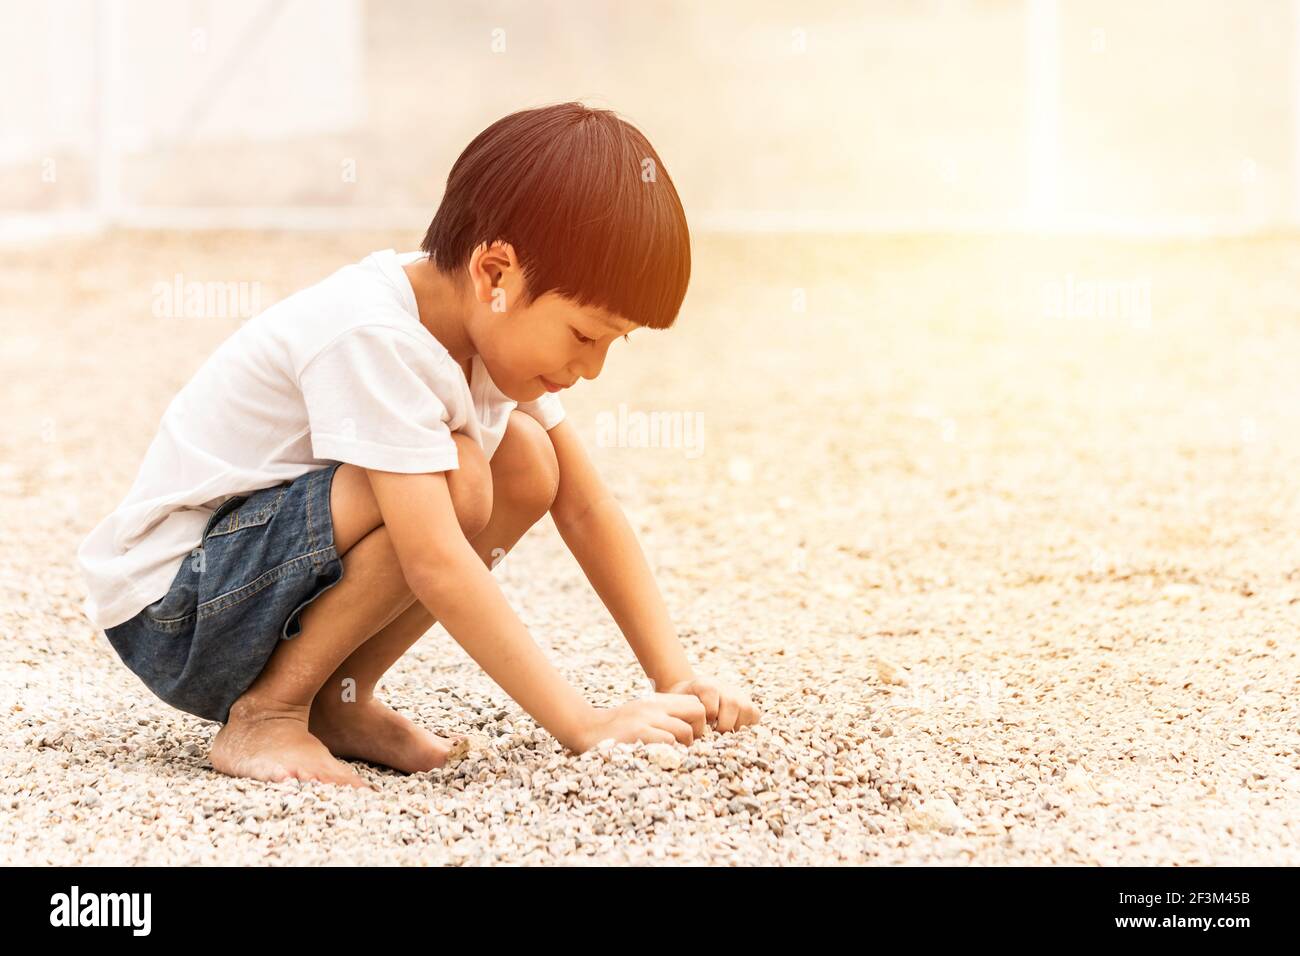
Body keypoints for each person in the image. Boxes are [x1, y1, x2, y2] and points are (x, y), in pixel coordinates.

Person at [76, 102, 760, 789]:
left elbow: (585, 507)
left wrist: (676, 677)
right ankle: (268, 713)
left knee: (525, 460)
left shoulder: (482, 326)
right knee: (458, 474)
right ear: (496, 274)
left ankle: (337, 702)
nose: (592, 369)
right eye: (585, 336)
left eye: (615, 343)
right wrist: (582, 724)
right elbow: (434, 559)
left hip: (244, 589)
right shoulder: (373, 335)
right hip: (177, 612)